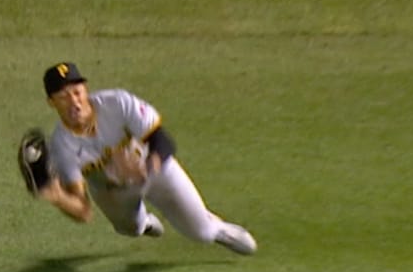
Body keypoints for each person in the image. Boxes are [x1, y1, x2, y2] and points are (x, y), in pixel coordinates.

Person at [36, 62, 257, 255]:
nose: (73, 101)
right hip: (111, 192)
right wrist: (57, 197)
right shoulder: (61, 146)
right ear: (51, 102)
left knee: (201, 233)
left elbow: (163, 141)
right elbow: (84, 211)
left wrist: (146, 169)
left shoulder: (118, 103)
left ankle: (220, 230)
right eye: (63, 97)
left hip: (154, 170)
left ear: (85, 89)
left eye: (77, 92)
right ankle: (145, 222)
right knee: (130, 229)